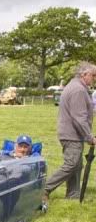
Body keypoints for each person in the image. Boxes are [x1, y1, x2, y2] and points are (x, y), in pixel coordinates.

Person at [43, 62, 96, 205]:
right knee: (72, 164)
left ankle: (73, 194)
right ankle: (44, 189)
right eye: (93, 75)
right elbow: (79, 117)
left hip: (71, 133)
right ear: (84, 74)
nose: (94, 78)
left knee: (77, 165)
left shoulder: (74, 86)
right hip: (72, 134)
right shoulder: (78, 89)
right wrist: (89, 136)